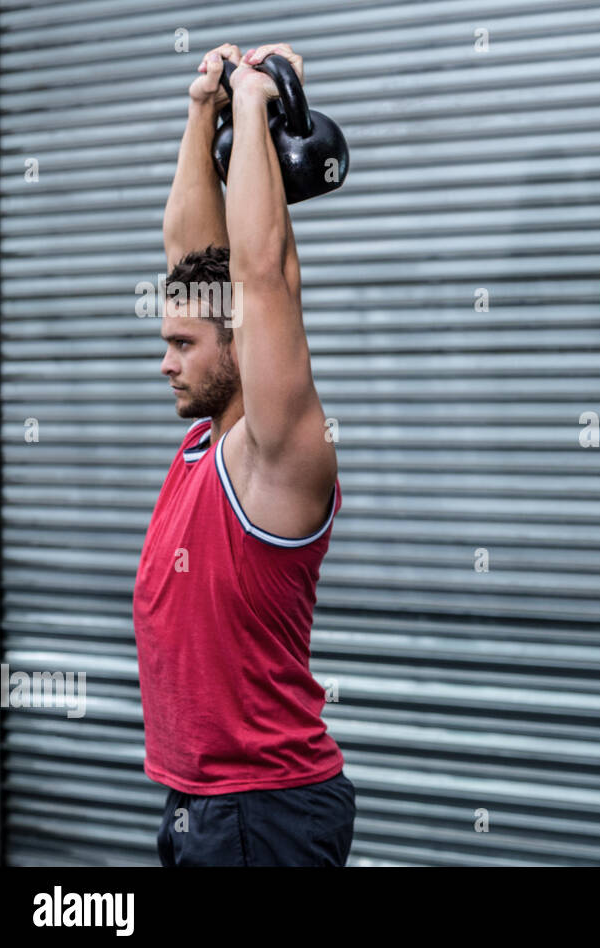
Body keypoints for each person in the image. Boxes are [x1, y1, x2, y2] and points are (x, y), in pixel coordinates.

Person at [134, 42, 354, 866]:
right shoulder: (204, 441)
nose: (165, 361)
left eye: (184, 345)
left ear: (238, 349)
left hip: (265, 810)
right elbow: (195, 256)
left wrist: (256, 105)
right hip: (201, 801)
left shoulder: (277, 453)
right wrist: (203, 110)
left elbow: (260, 281)